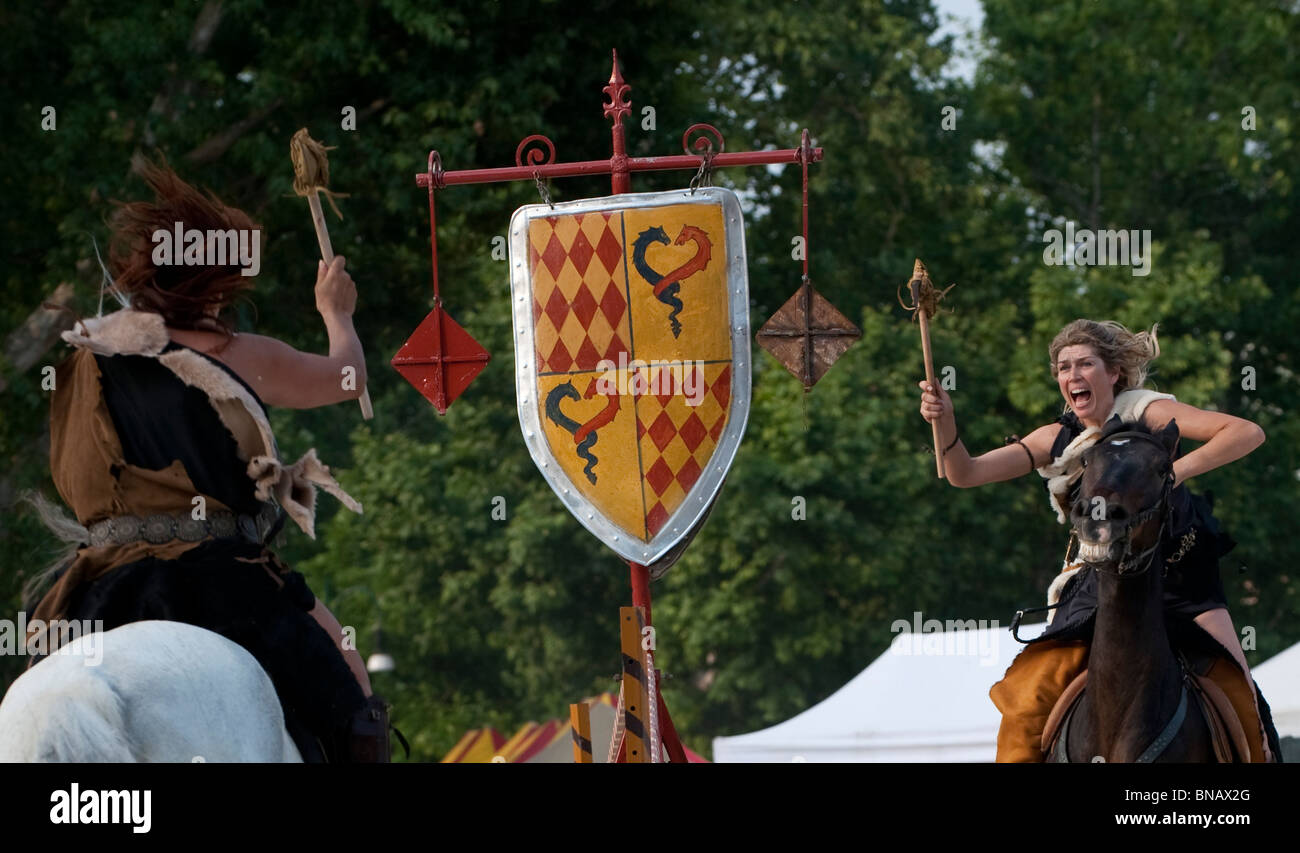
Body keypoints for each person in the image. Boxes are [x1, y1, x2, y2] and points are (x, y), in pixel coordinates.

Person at [24, 156, 389, 762]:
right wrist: (337, 314)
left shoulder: (82, 359)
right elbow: (347, 377)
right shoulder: (231, 352)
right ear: (217, 283)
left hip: (93, 590)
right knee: (350, 682)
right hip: (219, 576)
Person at [917, 318, 1278, 762]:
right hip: (1100, 588)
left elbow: (1247, 432)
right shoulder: (1057, 438)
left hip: (1182, 582)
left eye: (1086, 363)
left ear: (1113, 373)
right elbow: (964, 473)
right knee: (1026, 698)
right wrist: (946, 421)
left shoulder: (1147, 412)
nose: (1073, 375)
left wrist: (1171, 473)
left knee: (1246, 703)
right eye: (1064, 367)